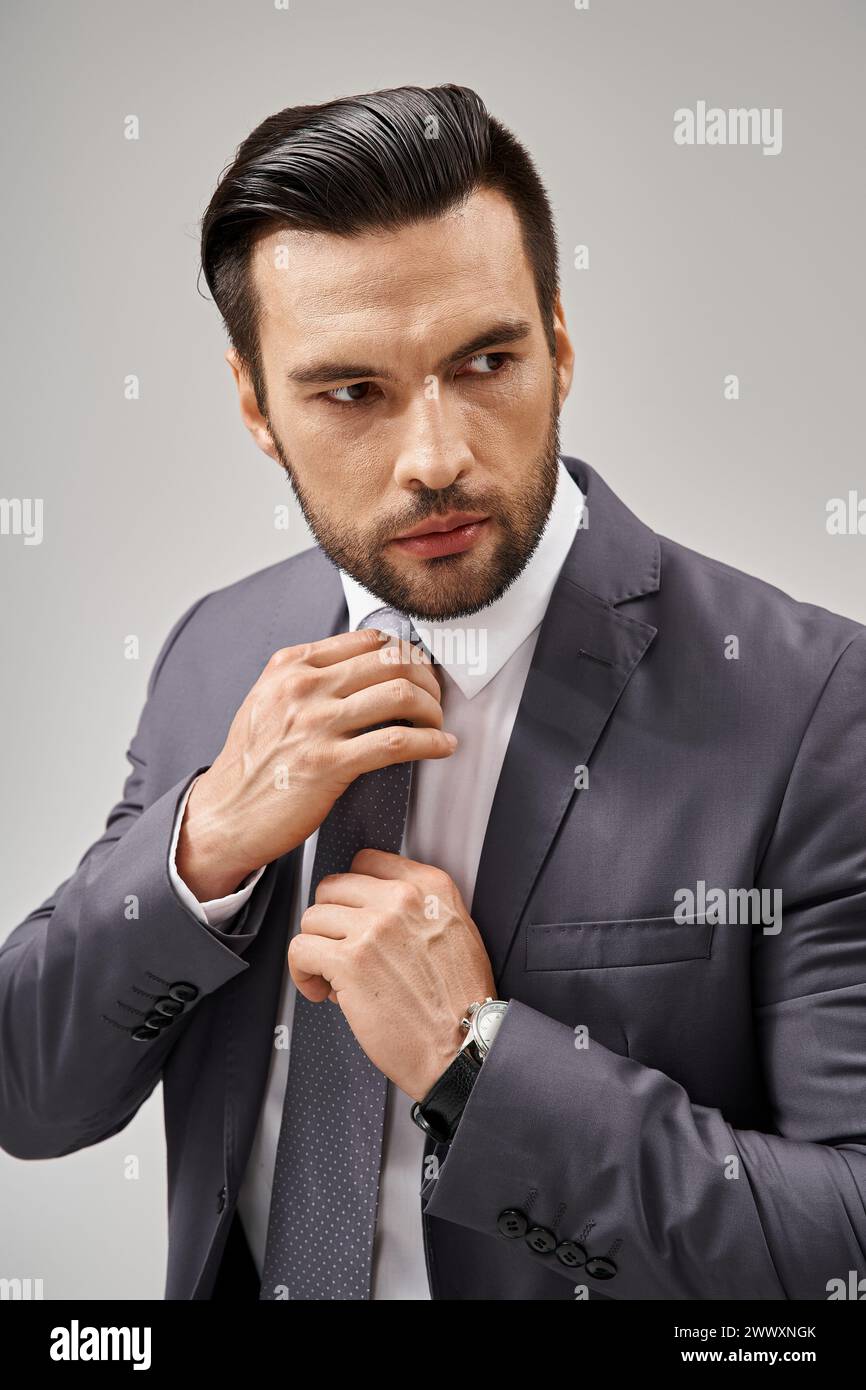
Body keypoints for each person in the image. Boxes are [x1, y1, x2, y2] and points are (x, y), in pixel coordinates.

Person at [1, 84, 864, 1301]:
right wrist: (197, 850)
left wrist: (478, 1065)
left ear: (557, 342)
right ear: (255, 404)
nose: (435, 459)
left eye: (484, 361)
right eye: (350, 392)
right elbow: (29, 1096)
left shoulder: (813, 702)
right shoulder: (216, 649)